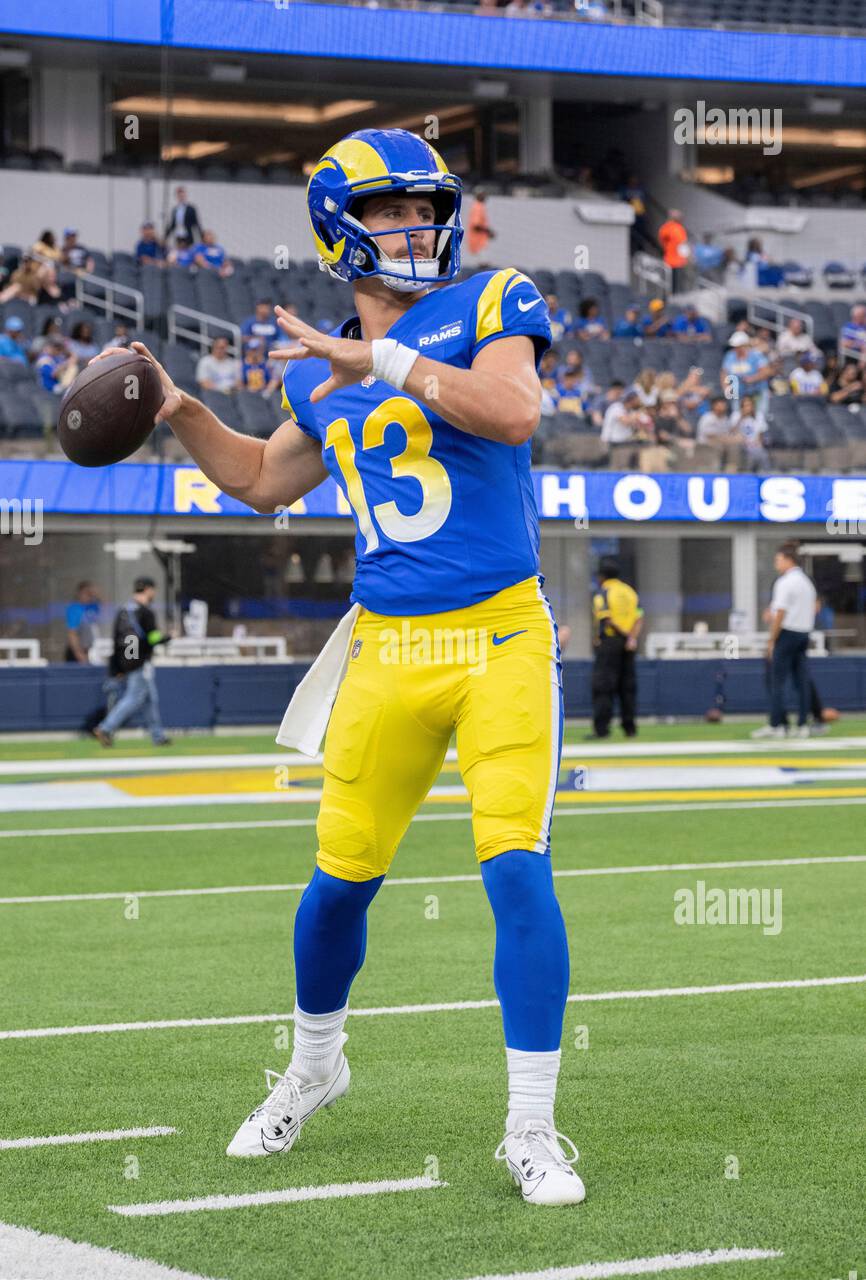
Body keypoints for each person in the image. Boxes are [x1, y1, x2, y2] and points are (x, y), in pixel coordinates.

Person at [89, 126, 585, 1205]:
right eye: (389, 210)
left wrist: (388, 360)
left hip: (499, 634)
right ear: (336, 229)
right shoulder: (324, 376)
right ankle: (315, 1069)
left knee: (513, 867)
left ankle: (531, 1127)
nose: (417, 224)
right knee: (334, 889)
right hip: (386, 647)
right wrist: (181, 413)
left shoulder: (495, 297)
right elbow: (263, 482)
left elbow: (512, 409)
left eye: (425, 206)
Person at [92, 578, 172, 747]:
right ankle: (105, 728)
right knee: (134, 698)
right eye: (153, 590)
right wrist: (169, 637)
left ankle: (158, 736)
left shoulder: (123, 611)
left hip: (127, 660)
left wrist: (117, 666)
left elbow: (116, 640)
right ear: (148, 590)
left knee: (150, 699)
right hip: (140, 662)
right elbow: (152, 637)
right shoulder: (145, 612)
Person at [751, 542, 817, 738]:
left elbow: (780, 612)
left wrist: (772, 640)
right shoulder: (806, 582)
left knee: (775, 680)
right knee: (801, 680)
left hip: (787, 634)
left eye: (778, 559)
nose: (776, 563)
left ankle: (777, 724)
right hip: (803, 633)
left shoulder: (785, 582)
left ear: (789, 560)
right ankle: (803, 724)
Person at [589, 558, 642, 739]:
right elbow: (639, 617)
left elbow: (607, 619)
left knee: (603, 686)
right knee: (627, 687)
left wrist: (624, 635)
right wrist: (632, 638)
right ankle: (630, 729)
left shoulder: (603, 593)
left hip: (611, 642)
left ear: (601, 576)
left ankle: (602, 729)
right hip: (629, 645)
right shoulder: (630, 592)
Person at [64, 581, 101, 663]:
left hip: (87, 651)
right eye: (87, 593)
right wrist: (79, 653)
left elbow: (103, 603)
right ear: (79, 593)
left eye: (91, 594)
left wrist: (96, 593)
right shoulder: (75, 609)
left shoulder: (92, 607)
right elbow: (72, 633)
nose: (89, 596)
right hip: (76, 653)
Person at [657, 208, 689, 293]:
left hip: (679, 261)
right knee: (672, 286)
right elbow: (663, 241)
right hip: (671, 261)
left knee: (678, 285)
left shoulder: (678, 228)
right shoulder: (668, 228)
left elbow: (683, 244)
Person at [465, 191, 495, 261]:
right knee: (480, 264)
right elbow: (476, 226)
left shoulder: (479, 206)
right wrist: (488, 231)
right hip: (477, 242)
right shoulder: (477, 207)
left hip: (480, 242)